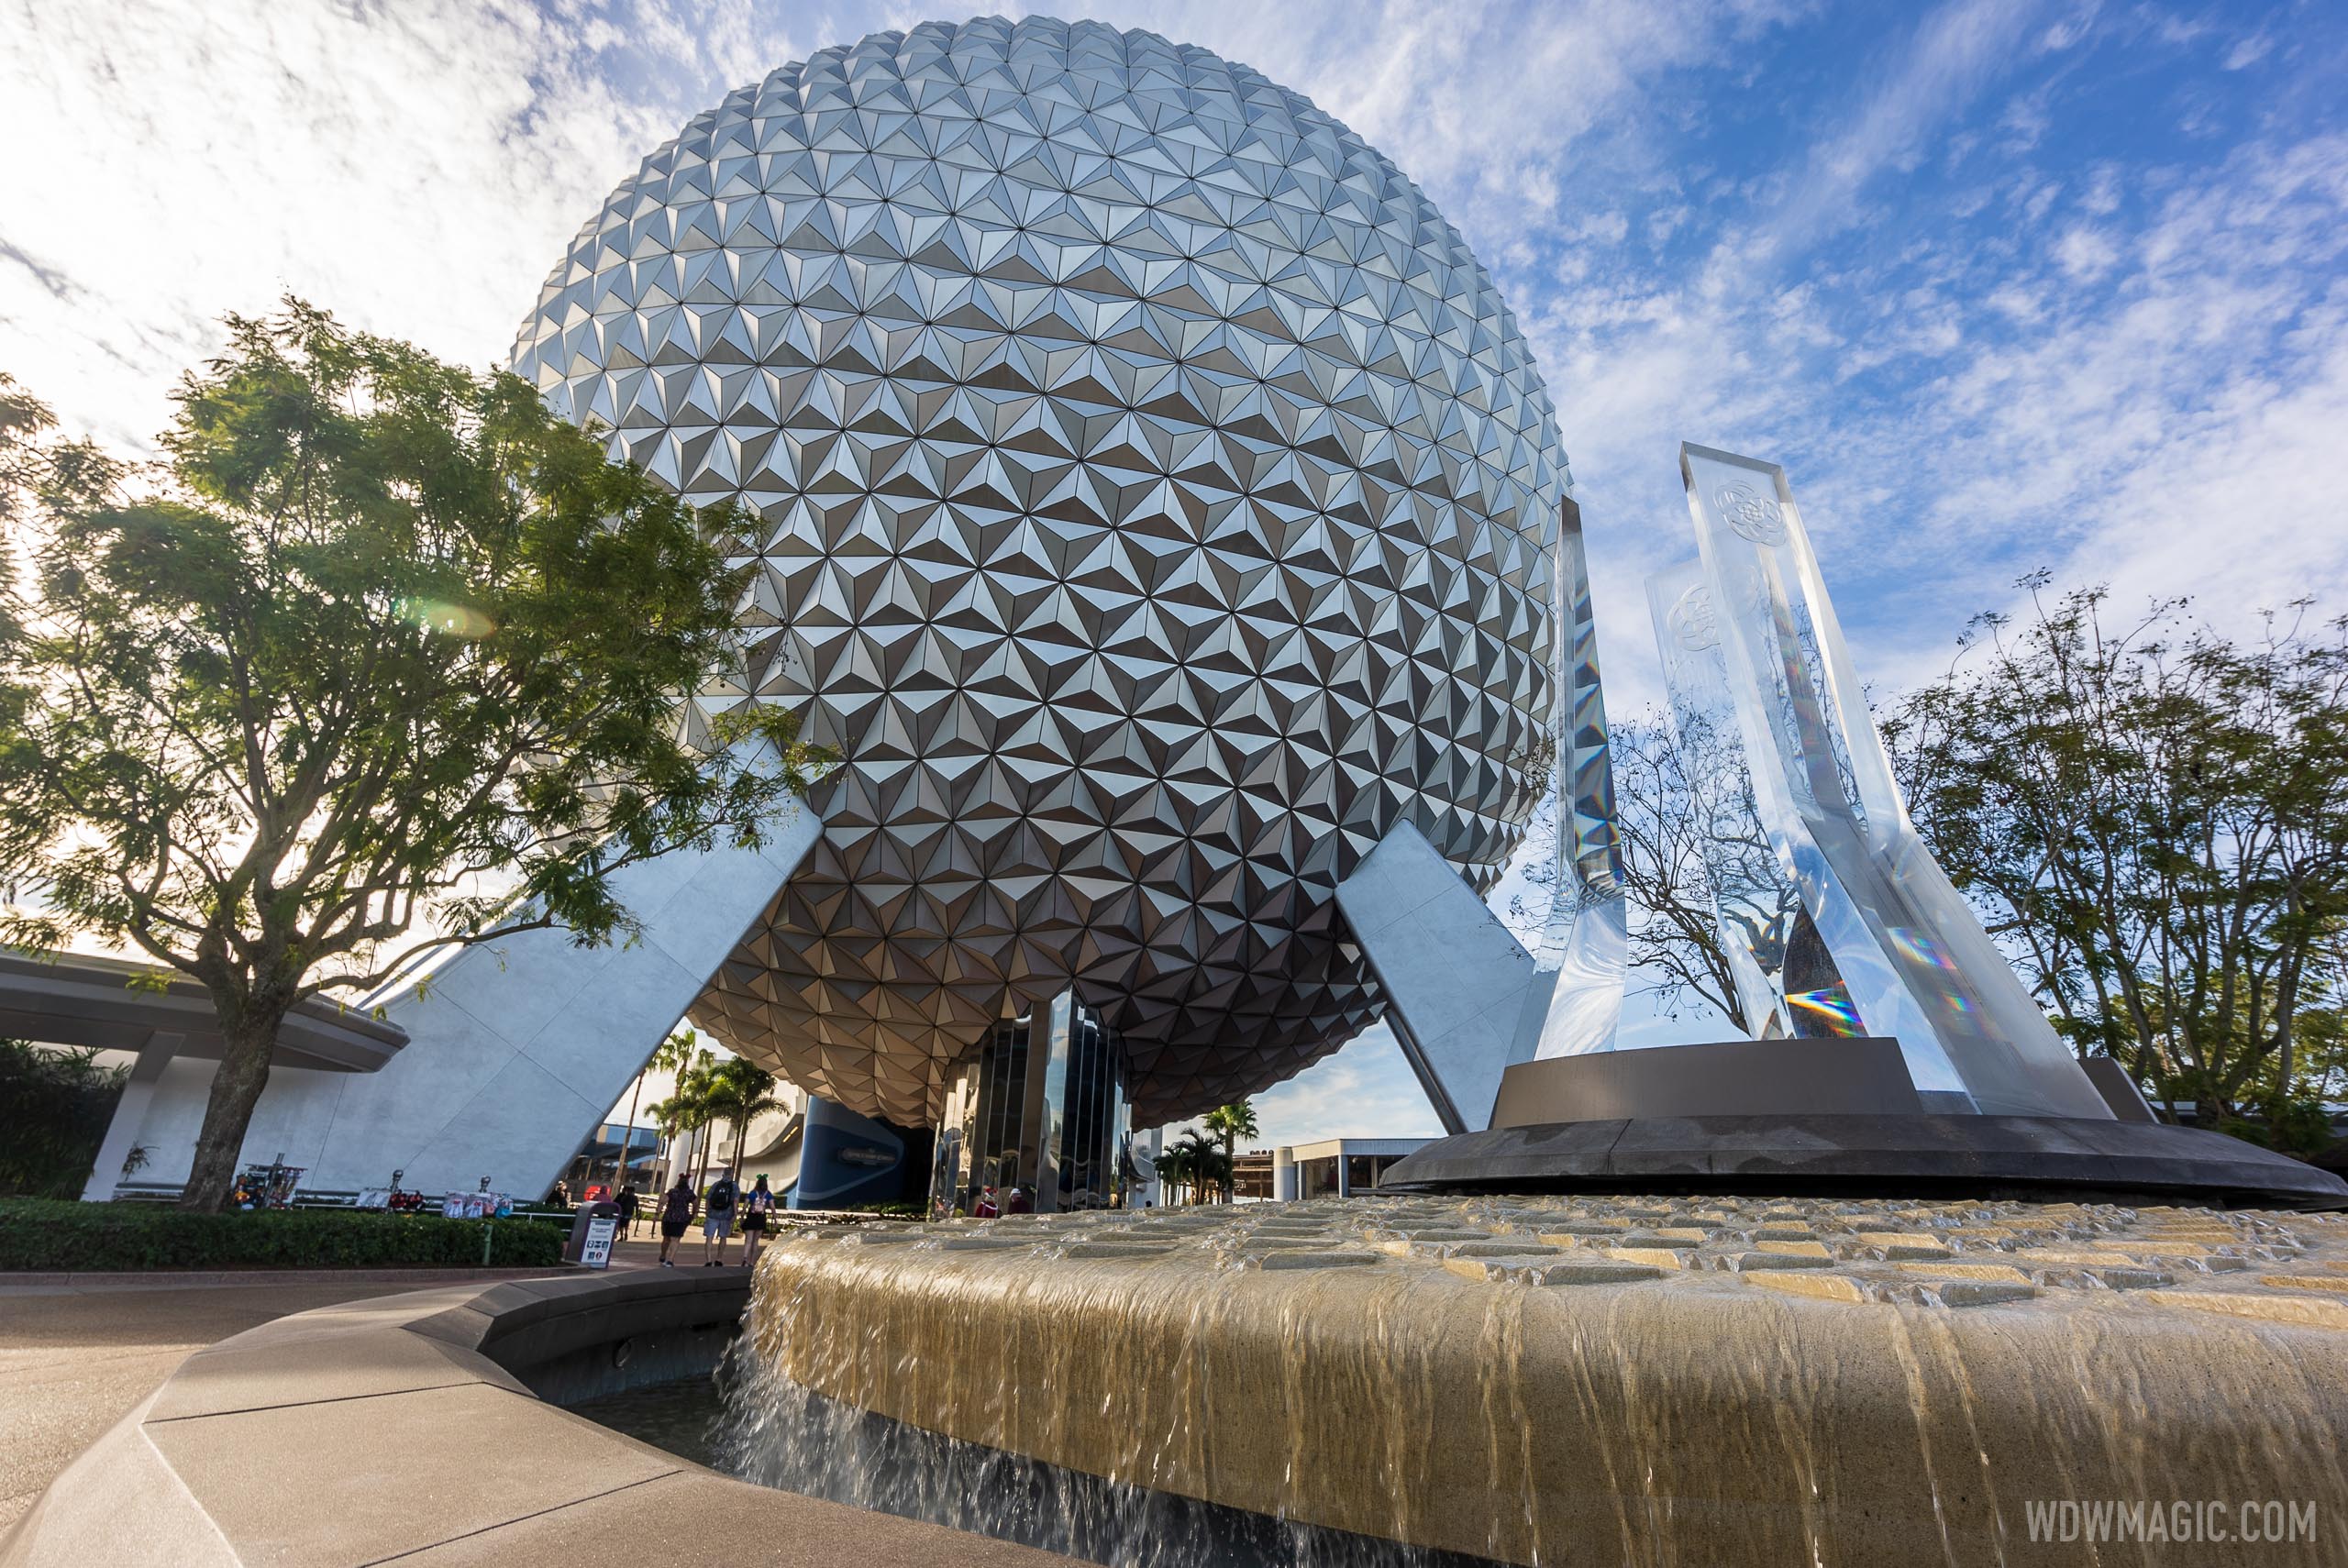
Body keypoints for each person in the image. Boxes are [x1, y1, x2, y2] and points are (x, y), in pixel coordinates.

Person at [657, 1174, 695, 1268]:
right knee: (676, 1239)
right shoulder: (689, 1193)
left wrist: (657, 1212)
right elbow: (696, 1203)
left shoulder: (672, 1192)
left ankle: (663, 1255)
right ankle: (670, 1260)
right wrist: (693, 1214)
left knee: (666, 1238)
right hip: (682, 1218)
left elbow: (663, 1201)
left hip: (669, 1216)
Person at [702, 1169, 739, 1266]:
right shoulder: (734, 1186)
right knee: (723, 1237)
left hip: (712, 1214)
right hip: (726, 1215)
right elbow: (735, 1201)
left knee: (709, 1237)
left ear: (723, 1174)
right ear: (732, 1175)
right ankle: (719, 1259)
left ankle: (708, 1260)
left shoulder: (716, 1184)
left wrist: (707, 1211)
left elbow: (708, 1198)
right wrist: (735, 1214)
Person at [739, 1174, 775, 1266]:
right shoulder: (769, 1194)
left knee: (748, 1240)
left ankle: (745, 1258)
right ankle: (752, 1261)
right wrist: (775, 1219)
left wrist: (742, 1217)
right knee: (755, 1241)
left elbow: (745, 1206)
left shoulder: (752, 1193)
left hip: (751, 1217)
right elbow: (772, 1207)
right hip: (761, 1218)